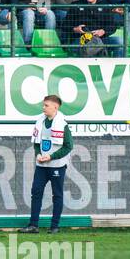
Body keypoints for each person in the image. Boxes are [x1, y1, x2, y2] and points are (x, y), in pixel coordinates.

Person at [21, 94, 74, 233]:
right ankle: (33, 225)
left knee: (57, 195)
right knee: (36, 192)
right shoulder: (40, 121)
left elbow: (68, 146)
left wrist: (51, 156)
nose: (43, 107)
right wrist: (38, 154)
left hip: (57, 165)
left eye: (46, 105)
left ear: (55, 107)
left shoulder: (63, 124)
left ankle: (54, 226)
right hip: (42, 166)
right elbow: (37, 143)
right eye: (43, 105)